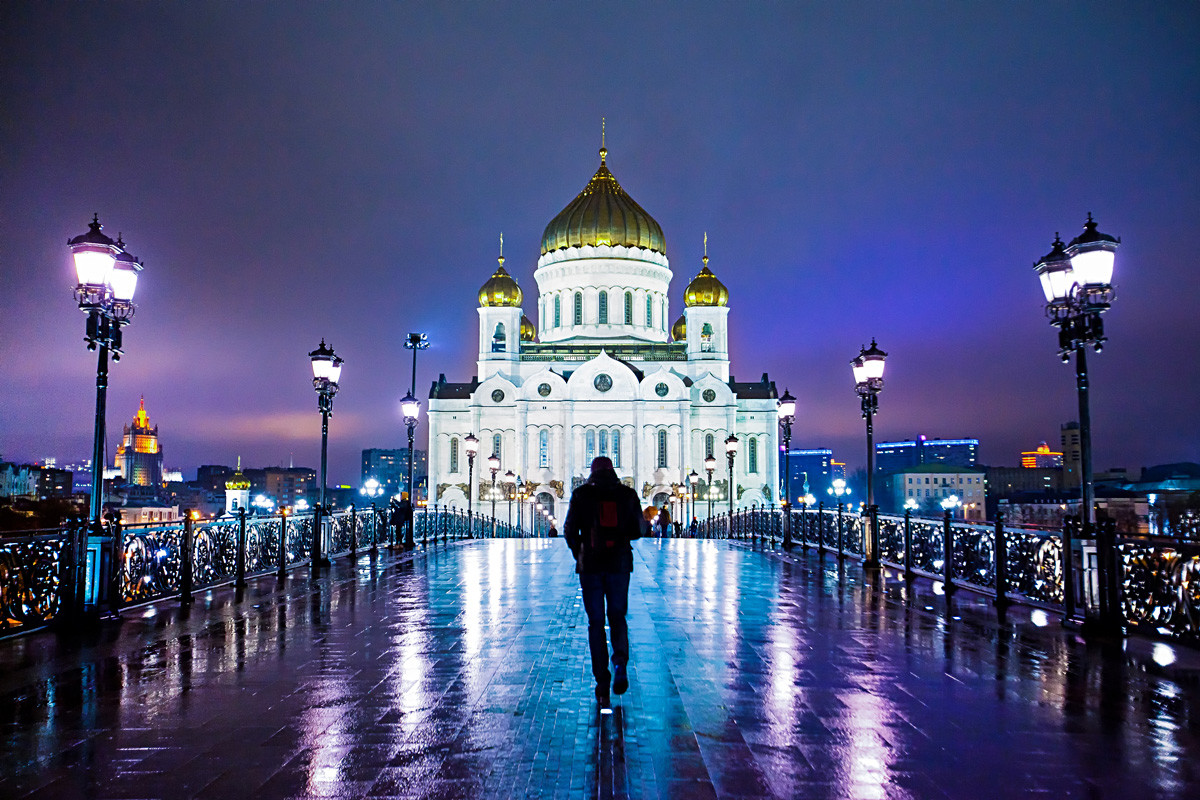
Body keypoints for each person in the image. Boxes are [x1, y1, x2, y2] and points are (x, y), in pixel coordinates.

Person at [564, 456, 644, 706]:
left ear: (592, 472)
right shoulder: (627, 494)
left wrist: (581, 552)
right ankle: (620, 662)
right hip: (619, 564)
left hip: (591, 566)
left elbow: (569, 530)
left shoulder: (581, 494)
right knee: (617, 616)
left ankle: (601, 680)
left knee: (595, 622)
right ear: (612, 471)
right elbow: (638, 531)